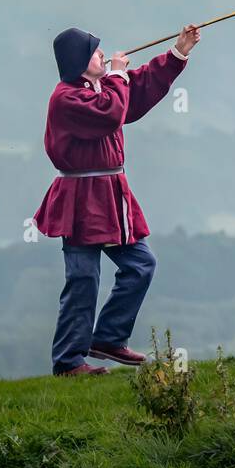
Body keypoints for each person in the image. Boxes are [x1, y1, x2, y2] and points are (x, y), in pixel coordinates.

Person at [33, 24, 200, 375]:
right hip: (80, 198)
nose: (102, 55)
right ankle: (68, 362)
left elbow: (133, 95)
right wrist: (118, 76)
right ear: (80, 61)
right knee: (83, 279)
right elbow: (111, 112)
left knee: (140, 265)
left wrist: (177, 53)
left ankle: (108, 337)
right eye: (95, 51)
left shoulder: (99, 87)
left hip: (109, 195)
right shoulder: (66, 98)